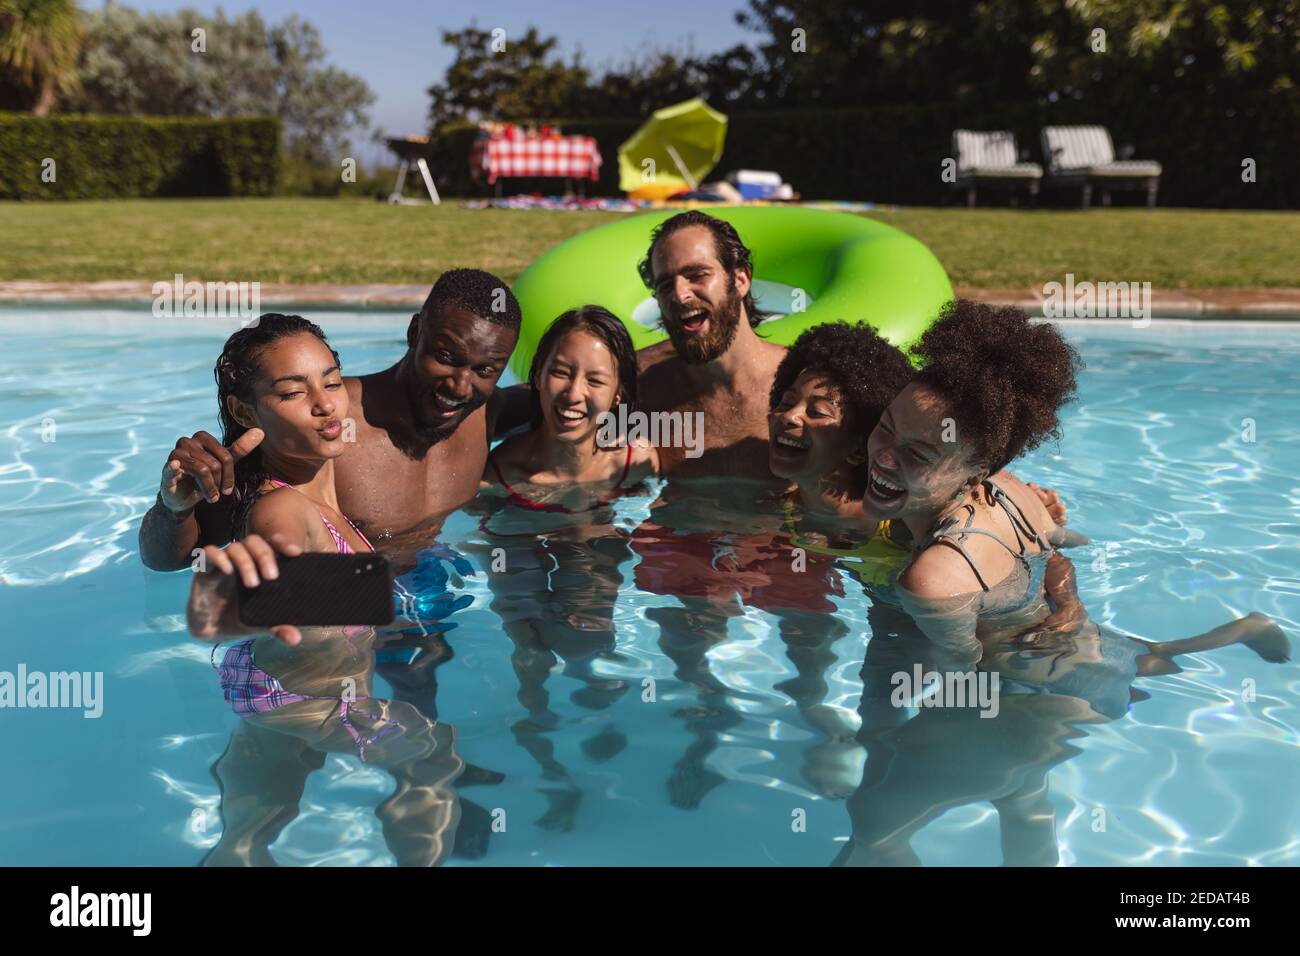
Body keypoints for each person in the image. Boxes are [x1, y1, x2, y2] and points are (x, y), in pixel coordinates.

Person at [182, 314, 468, 866]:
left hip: (269, 685)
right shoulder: (283, 506)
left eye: (332, 381)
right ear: (246, 412)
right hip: (310, 700)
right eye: (294, 392)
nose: (325, 404)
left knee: (253, 826)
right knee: (434, 752)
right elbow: (280, 551)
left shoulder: (321, 488)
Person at [139, 269, 529, 572]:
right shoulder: (321, 434)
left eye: (486, 370)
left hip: (427, 590)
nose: (460, 387)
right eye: (446, 357)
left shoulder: (483, 411)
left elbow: (562, 401)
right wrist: (173, 508)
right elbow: (172, 558)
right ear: (415, 332)